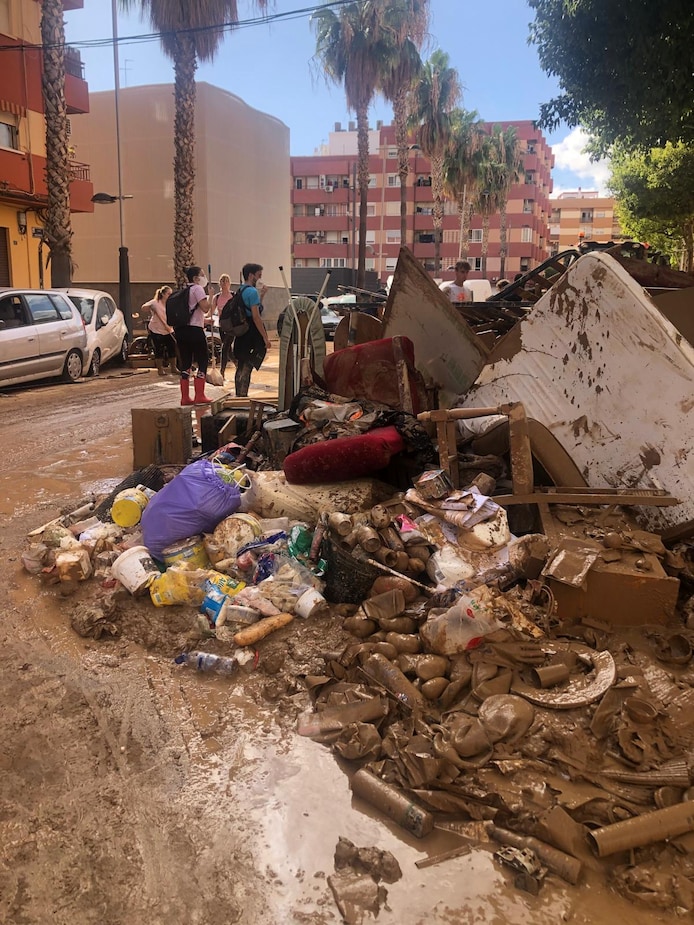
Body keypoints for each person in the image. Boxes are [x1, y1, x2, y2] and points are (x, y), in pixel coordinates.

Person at [232, 262, 271, 397]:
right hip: (251, 333)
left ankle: (239, 395)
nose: (260, 279)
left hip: (241, 332)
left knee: (241, 365)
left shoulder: (241, 290)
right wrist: (265, 338)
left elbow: (251, 308)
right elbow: (256, 316)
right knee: (247, 365)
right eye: (258, 276)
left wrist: (262, 295)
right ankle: (243, 395)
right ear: (251, 275)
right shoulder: (252, 291)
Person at [176, 265, 212, 406]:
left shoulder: (185, 291)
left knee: (186, 362)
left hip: (182, 331)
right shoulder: (197, 289)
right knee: (203, 360)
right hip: (194, 331)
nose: (204, 277)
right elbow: (205, 307)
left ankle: (185, 397)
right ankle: (199, 395)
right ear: (196, 278)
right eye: (202, 275)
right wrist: (209, 295)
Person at [142, 285, 176, 376]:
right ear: (163, 294)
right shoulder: (155, 302)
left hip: (168, 329)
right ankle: (160, 370)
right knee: (159, 349)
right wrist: (150, 307)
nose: (170, 295)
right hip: (156, 330)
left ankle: (173, 368)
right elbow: (143, 307)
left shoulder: (171, 303)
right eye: (168, 293)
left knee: (172, 348)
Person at [212, 273, 235, 380]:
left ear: (229, 283)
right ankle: (237, 363)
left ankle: (222, 372)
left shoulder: (233, 296)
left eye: (226, 281)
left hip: (232, 326)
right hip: (222, 325)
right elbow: (210, 312)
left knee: (225, 347)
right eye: (222, 281)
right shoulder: (216, 297)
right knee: (228, 349)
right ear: (219, 283)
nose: (224, 283)